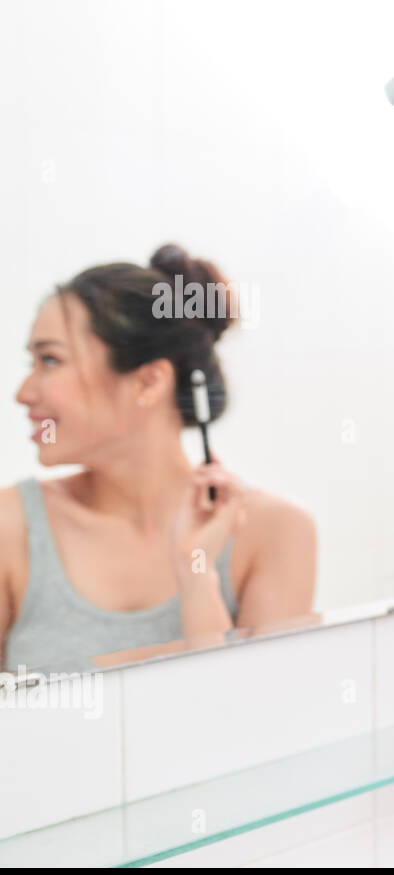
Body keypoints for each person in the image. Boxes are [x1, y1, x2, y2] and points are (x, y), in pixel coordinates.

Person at [0, 244, 316, 673]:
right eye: (33, 362)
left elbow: (254, 708)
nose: (23, 393)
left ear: (149, 381)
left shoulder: (274, 532)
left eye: (51, 360)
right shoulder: (10, 528)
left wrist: (197, 576)